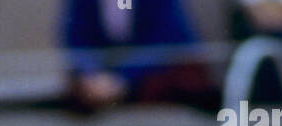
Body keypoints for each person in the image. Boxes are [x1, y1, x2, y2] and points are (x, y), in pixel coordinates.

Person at [61, 0, 217, 113]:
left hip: (156, 75)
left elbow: (165, 40)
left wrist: (122, 79)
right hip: (104, 83)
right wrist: (92, 74)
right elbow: (76, 38)